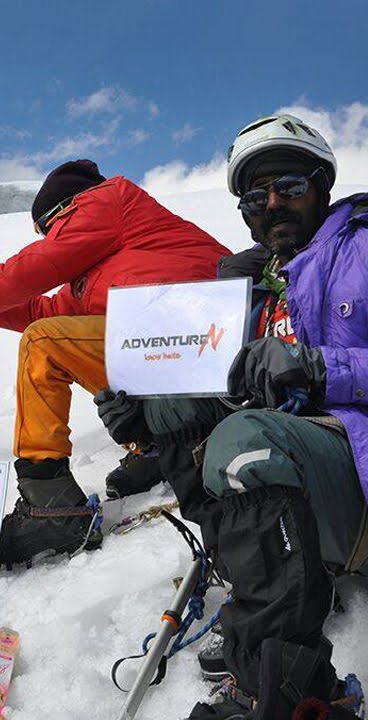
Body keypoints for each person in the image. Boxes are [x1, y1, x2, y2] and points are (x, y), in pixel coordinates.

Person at [95, 114, 368, 719]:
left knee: (248, 440)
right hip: (295, 481)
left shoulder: (364, 248)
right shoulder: (242, 287)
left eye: (290, 186)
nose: (273, 204)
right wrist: (140, 411)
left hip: (357, 477)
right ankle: (257, 588)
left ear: (322, 186)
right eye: (255, 196)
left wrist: (318, 366)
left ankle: (281, 689)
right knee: (172, 402)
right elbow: (205, 387)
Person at [0, 160, 229, 567]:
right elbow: (41, 310)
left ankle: (51, 503)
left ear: (61, 212)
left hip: (208, 340)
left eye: (47, 230)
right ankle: (157, 448)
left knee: (44, 343)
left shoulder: (106, 201)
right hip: (179, 352)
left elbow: (37, 266)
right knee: (58, 338)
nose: (49, 237)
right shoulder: (93, 273)